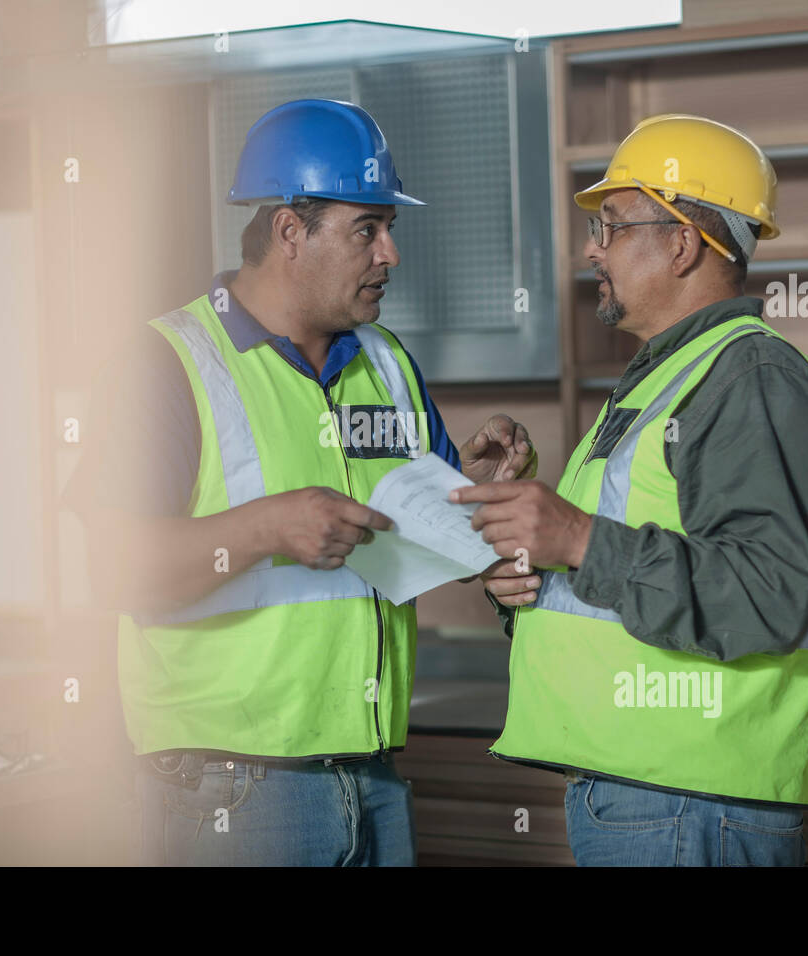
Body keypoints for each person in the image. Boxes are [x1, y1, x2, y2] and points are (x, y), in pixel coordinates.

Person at [64, 98, 534, 866]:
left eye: (390, 229)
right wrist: (266, 529)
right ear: (290, 231)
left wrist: (478, 490)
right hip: (232, 793)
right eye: (367, 230)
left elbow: (429, 525)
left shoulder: (386, 363)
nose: (390, 254)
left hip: (373, 774)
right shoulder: (168, 366)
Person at [453, 114, 808, 867]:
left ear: (682, 242)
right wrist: (527, 582)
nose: (592, 249)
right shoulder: (667, 377)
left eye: (610, 226)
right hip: (651, 796)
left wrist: (575, 538)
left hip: (692, 803)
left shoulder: (750, 379)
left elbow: (766, 592)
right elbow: (613, 580)